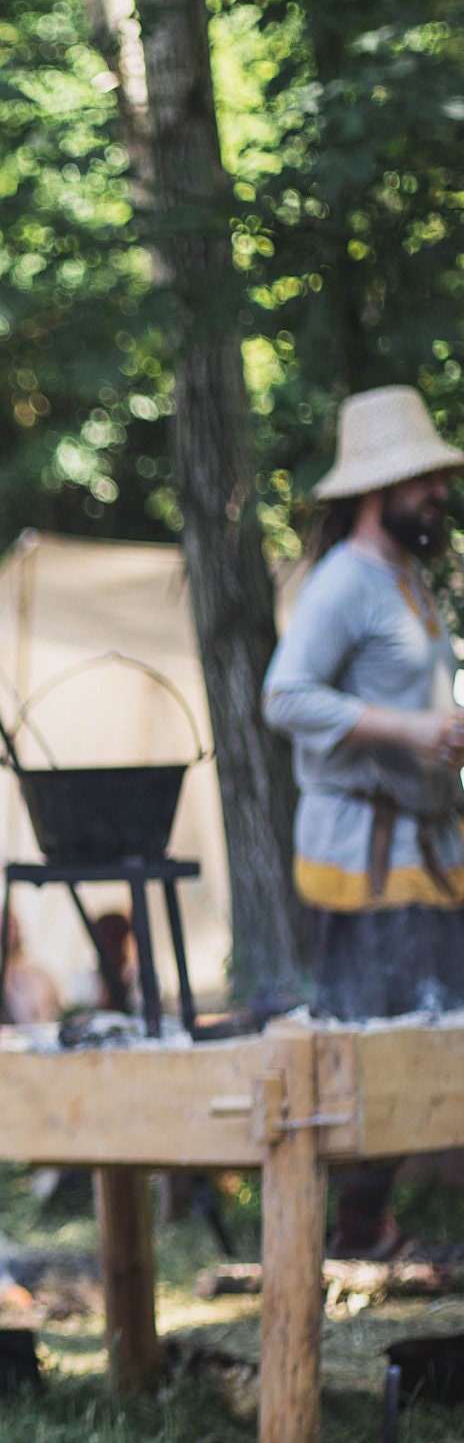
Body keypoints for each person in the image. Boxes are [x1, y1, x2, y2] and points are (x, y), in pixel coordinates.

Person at [263, 383, 464, 1256]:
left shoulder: (406, 579)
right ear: (379, 489)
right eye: (423, 481)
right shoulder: (345, 579)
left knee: (427, 1037)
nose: (438, 495)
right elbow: (284, 695)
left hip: (426, 845)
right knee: (375, 1049)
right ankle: (353, 1230)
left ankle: (372, 1225)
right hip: (363, 849)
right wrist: (416, 728)